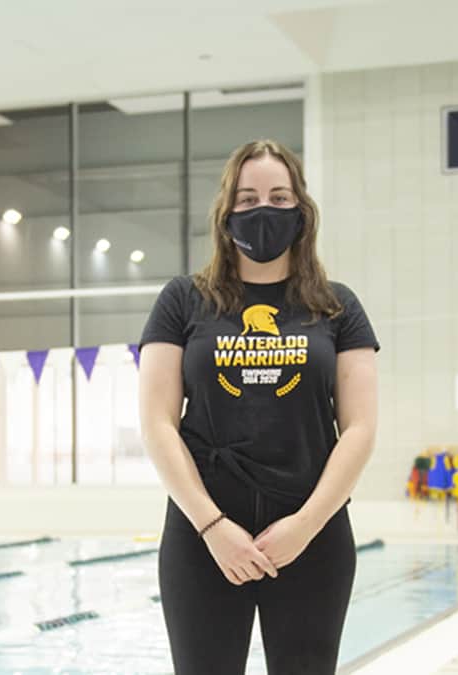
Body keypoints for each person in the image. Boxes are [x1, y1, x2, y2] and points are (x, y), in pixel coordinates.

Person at [138, 139, 380, 675]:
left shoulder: (336, 306)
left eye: (278, 196)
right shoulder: (184, 300)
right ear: (226, 215)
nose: (262, 210)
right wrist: (211, 526)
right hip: (204, 533)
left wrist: (306, 524)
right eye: (247, 200)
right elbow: (157, 423)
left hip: (311, 531)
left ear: (302, 211)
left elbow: (360, 428)